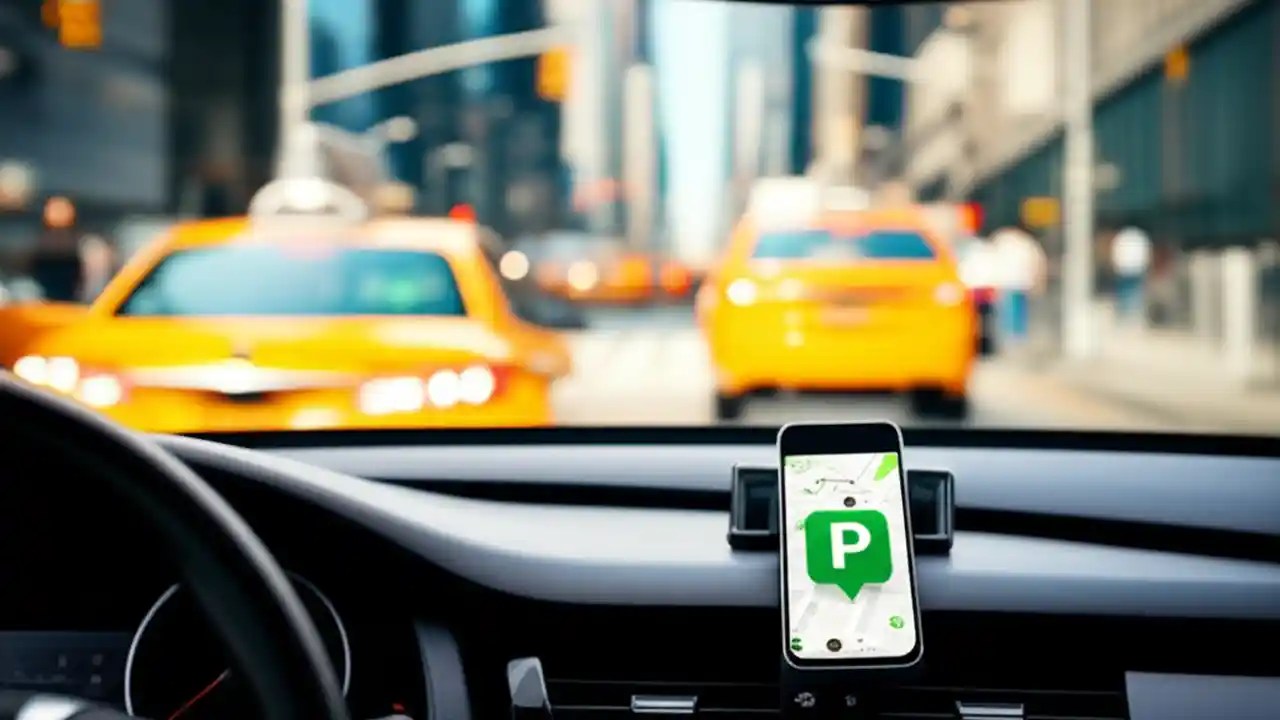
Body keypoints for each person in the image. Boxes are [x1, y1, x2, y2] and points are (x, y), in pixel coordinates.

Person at [989, 223, 1047, 345]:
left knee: (1008, 311)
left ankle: (1010, 337)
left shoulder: (1002, 240)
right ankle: (1015, 337)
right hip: (1019, 282)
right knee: (1016, 312)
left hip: (1007, 282)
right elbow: (1037, 262)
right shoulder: (1026, 243)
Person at [1111, 225, 1151, 325]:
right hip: (1132, 269)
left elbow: (1117, 252)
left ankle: (1127, 313)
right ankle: (1131, 313)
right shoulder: (1137, 237)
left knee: (1129, 292)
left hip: (1127, 269)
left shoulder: (1125, 237)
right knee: (1133, 292)